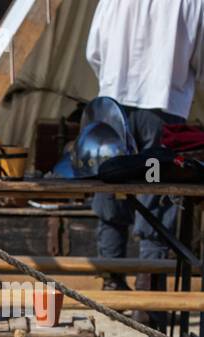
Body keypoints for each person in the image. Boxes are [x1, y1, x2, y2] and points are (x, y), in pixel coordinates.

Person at [86, 0, 204, 270]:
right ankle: (147, 298)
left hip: (114, 108)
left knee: (111, 190)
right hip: (162, 114)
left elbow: (93, 52)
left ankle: (113, 283)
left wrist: (112, 82)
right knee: (155, 196)